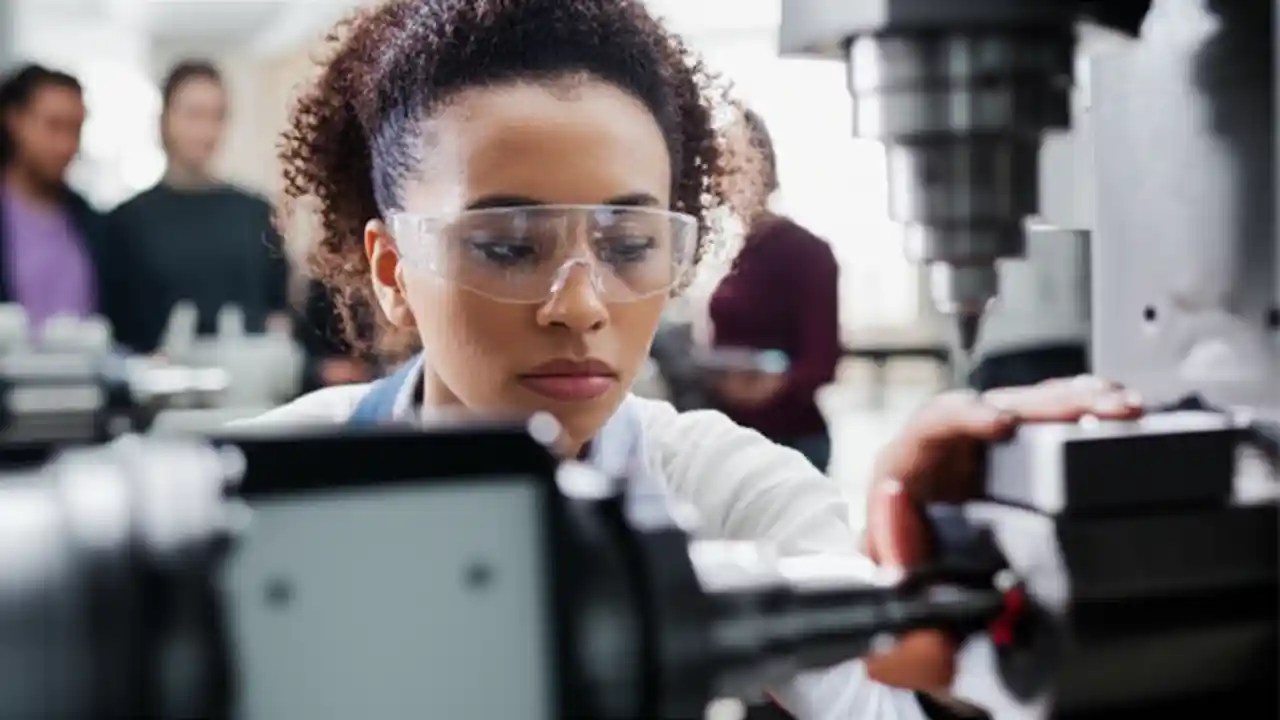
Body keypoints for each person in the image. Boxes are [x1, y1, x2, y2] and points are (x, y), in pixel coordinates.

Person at [239, 1, 1145, 717]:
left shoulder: (728, 491)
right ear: (395, 270)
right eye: (510, 246)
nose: (583, 307)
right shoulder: (257, 497)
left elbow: (880, 698)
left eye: (630, 245)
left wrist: (948, 619)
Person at [106, 61, 289, 354]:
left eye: (217, 116)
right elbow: (116, 326)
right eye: (193, 115)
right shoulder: (127, 222)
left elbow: (278, 312)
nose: (206, 130)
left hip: (249, 384)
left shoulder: (255, 213)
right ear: (165, 118)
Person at [707, 109, 840, 472]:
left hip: (790, 441)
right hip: (734, 438)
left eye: (739, 162)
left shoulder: (806, 251)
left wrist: (761, 389)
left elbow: (821, 363)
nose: (727, 176)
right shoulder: (731, 252)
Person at [0, 64, 116, 332]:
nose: (66, 145)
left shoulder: (92, 223)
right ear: (14, 121)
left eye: (75, 130)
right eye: (53, 126)